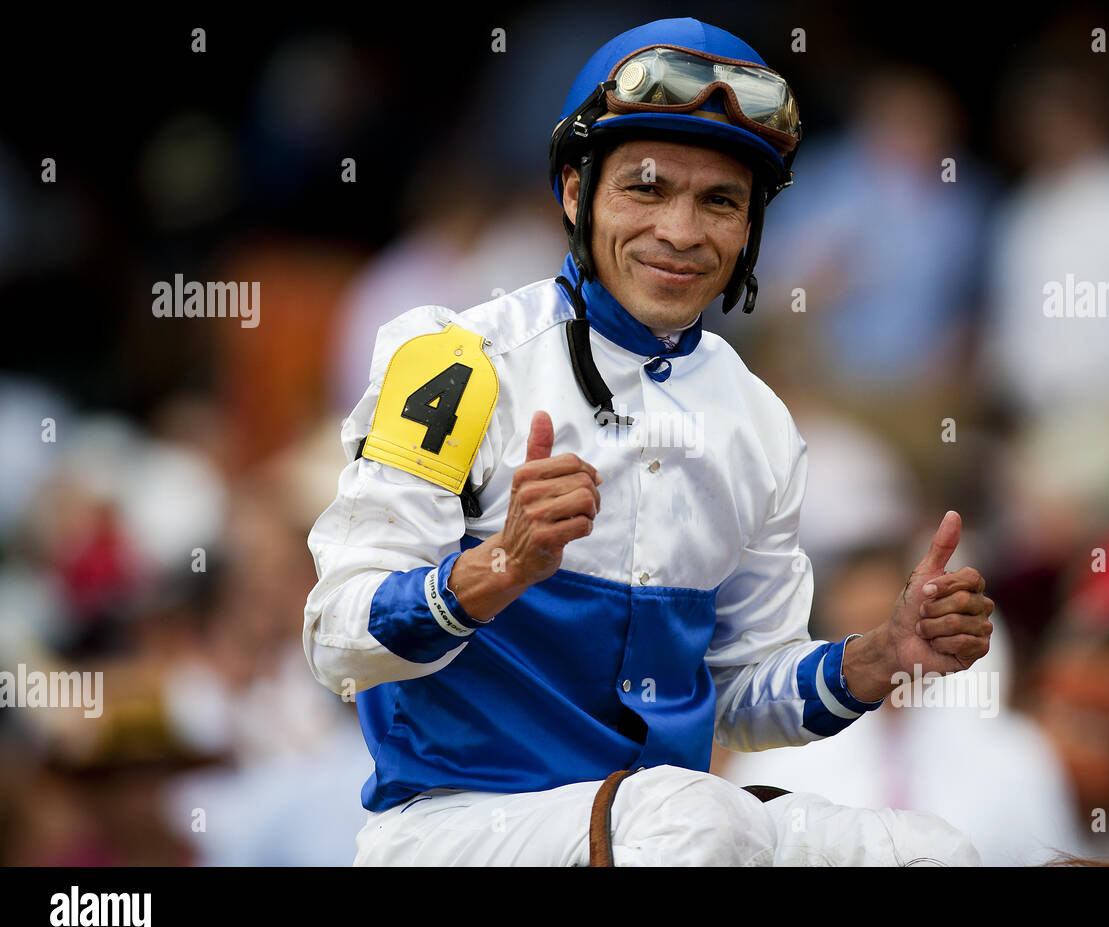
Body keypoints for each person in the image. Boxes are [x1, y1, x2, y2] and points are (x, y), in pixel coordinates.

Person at [302, 17, 995, 866]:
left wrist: (880, 656)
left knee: (931, 851)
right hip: (454, 825)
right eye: (647, 188)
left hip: (667, 825)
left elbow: (741, 695)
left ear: (750, 228)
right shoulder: (454, 363)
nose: (681, 231)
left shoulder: (761, 423)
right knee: (695, 817)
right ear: (573, 192)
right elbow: (334, 639)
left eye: (720, 201)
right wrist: (500, 568)